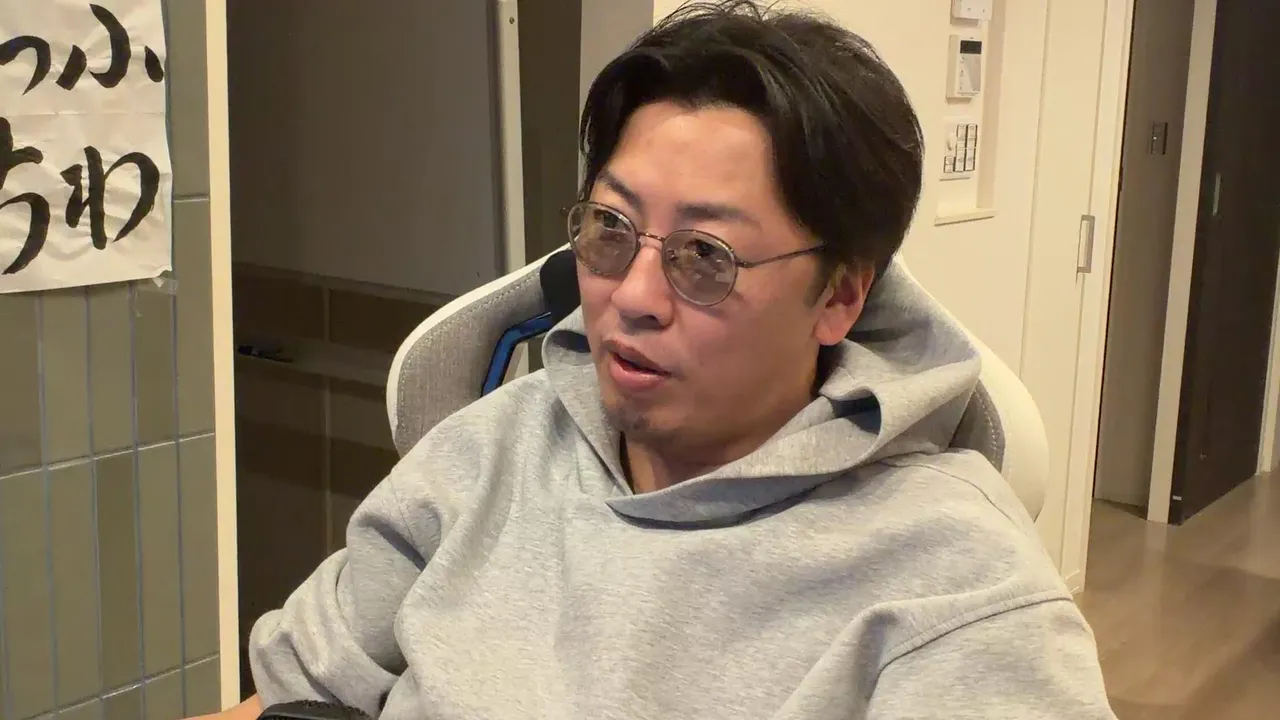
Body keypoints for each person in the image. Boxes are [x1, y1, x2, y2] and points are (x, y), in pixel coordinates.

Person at [211, 2, 1117, 718]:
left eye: (705, 257)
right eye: (612, 229)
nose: (634, 295)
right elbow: (291, 694)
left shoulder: (955, 586)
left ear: (840, 296)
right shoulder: (486, 454)